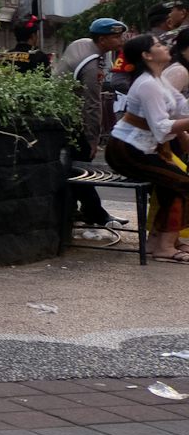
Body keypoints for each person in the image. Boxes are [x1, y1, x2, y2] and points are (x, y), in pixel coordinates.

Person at [103, 33, 189, 264]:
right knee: (183, 184)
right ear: (147, 55)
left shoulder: (159, 80)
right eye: (159, 45)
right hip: (127, 150)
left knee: (172, 186)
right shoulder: (148, 84)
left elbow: (182, 109)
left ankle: (158, 242)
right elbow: (161, 129)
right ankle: (165, 246)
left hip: (143, 148)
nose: (165, 47)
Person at [57, 17, 127, 229]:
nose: (120, 40)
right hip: (74, 121)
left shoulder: (81, 44)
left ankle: (86, 211)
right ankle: (96, 213)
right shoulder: (90, 63)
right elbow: (92, 104)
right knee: (81, 170)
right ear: (103, 40)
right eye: (116, 37)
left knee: (74, 169)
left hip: (63, 116)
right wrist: (92, 138)